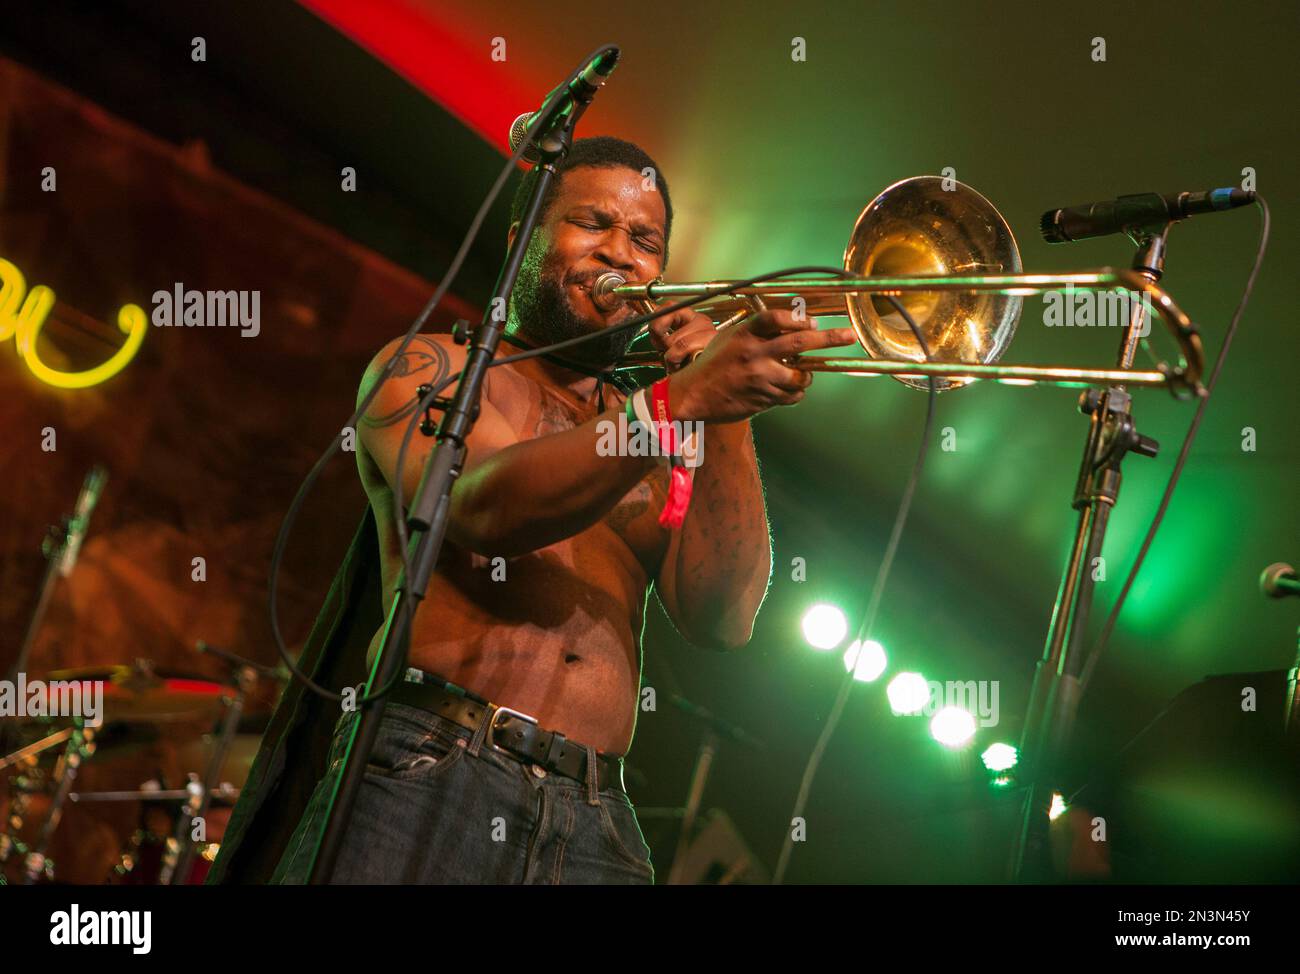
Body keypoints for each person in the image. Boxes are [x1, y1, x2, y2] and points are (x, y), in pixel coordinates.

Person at [258, 136, 857, 884]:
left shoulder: (660, 428)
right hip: (429, 762)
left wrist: (727, 410)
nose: (621, 254)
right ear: (523, 242)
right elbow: (486, 505)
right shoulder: (433, 365)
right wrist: (685, 398)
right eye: (594, 224)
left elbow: (722, 616)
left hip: (597, 811)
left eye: (645, 242)